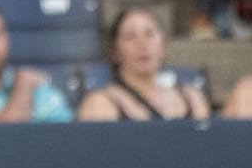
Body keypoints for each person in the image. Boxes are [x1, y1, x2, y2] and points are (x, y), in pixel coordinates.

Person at [77, 7, 212, 121]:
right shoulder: (100, 104)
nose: (142, 44)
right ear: (114, 51)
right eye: (130, 37)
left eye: (149, 34)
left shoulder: (191, 99)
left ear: (163, 46)